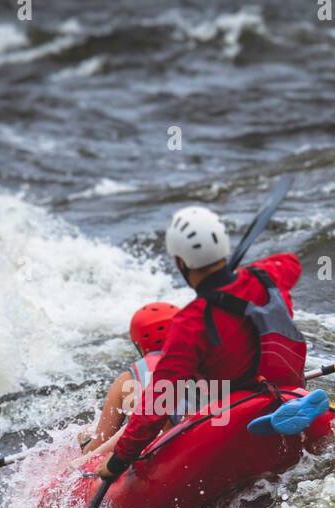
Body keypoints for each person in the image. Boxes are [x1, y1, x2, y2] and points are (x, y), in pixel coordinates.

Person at [96, 205, 308, 481]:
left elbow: (159, 400)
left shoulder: (191, 323)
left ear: (181, 263)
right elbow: (291, 261)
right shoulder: (268, 276)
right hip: (284, 390)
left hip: (229, 414)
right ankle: (295, 413)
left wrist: (117, 463)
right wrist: (238, 277)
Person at [77, 302, 179, 455]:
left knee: (85, 437)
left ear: (138, 344)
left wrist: (84, 445)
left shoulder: (127, 380)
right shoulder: (199, 360)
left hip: (160, 452)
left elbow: (100, 445)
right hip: (198, 434)